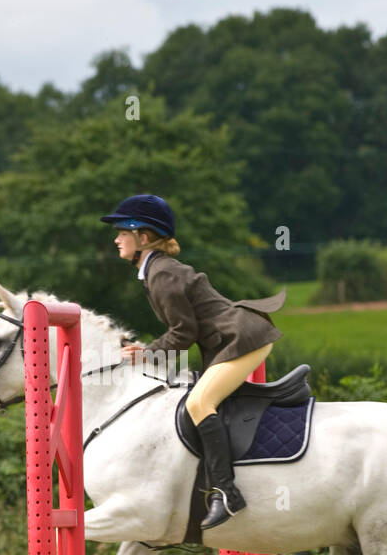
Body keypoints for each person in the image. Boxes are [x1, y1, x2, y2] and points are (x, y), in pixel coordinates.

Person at [101, 194, 286, 529]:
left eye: (122, 232)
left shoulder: (162, 274)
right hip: (231, 341)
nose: (116, 239)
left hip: (242, 340)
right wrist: (150, 352)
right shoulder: (156, 271)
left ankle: (226, 492)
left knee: (199, 403)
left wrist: (147, 353)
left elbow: (184, 333)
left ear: (143, 238)